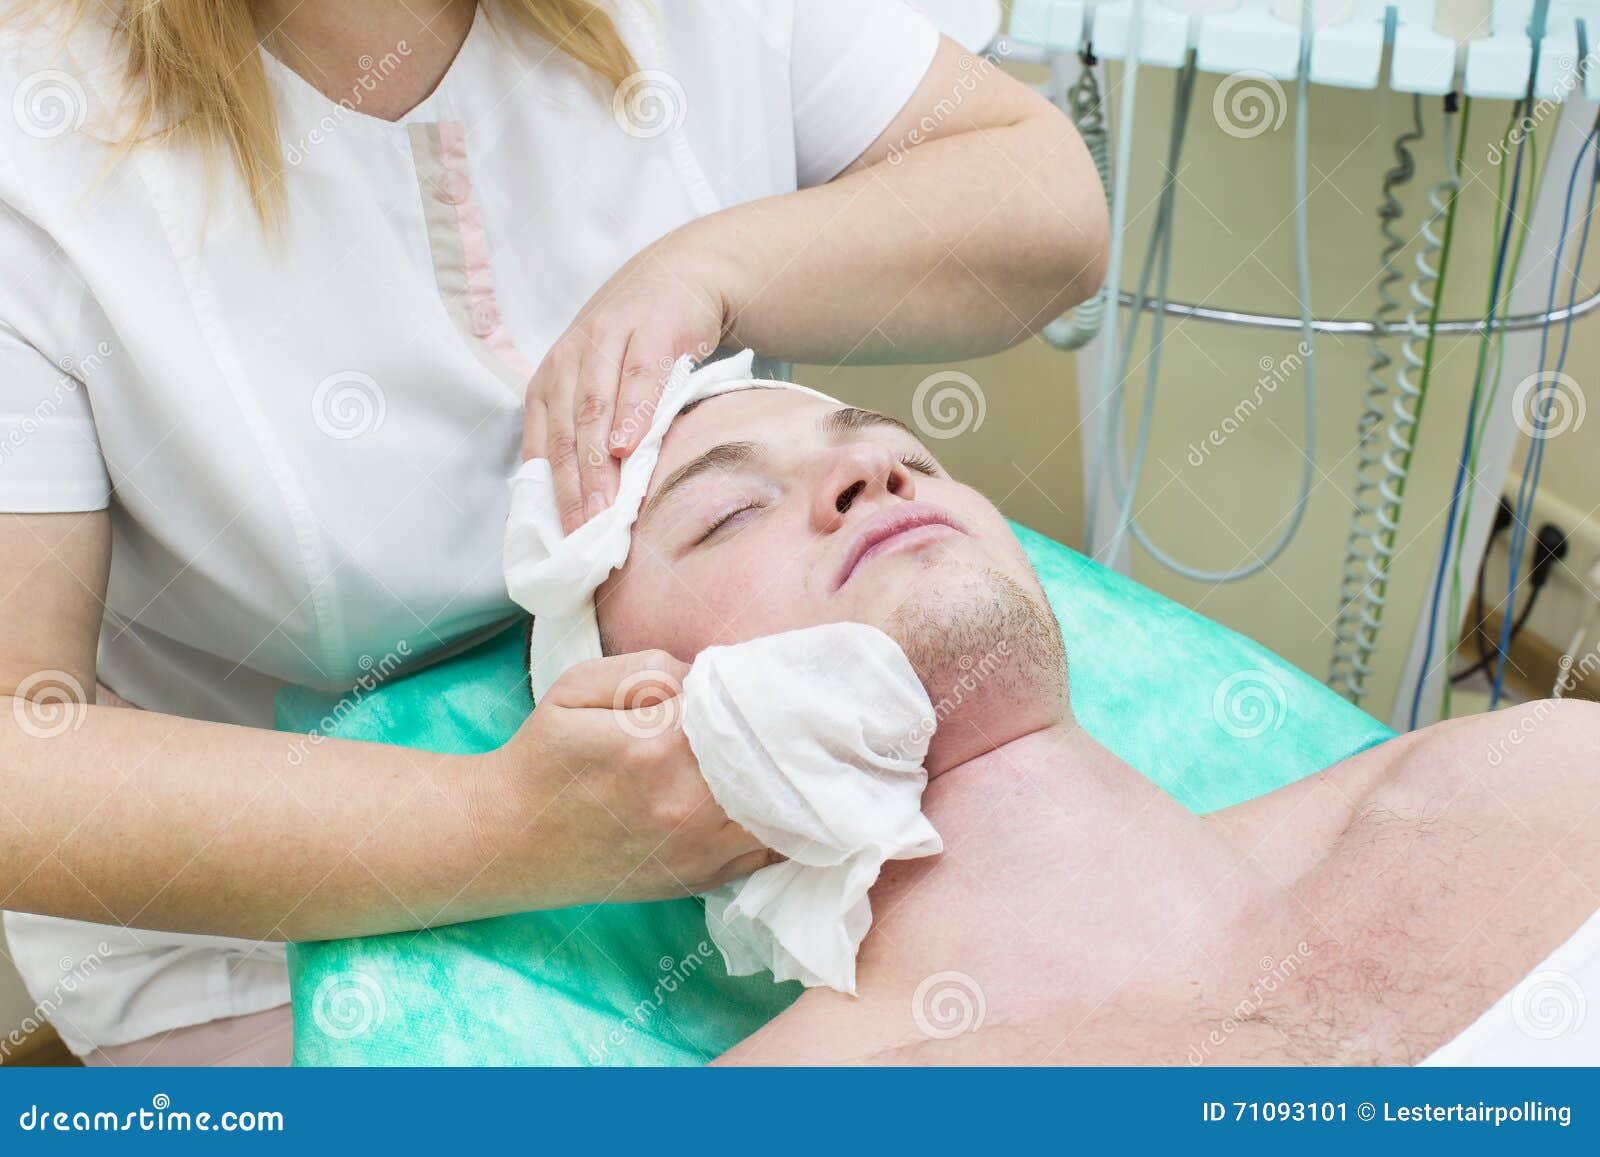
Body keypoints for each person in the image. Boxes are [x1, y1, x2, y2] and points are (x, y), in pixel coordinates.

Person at [0, 0, 1109, 1063]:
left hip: (788, 836)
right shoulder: (36, 143)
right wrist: (502, 825)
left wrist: (712, 266)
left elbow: (1045, 203)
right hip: (278, 939)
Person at [590, 385, 1600, 1065]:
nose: (875, 475)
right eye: (728, 511)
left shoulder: (1539, 775)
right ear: (643, 710)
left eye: (905, 454)